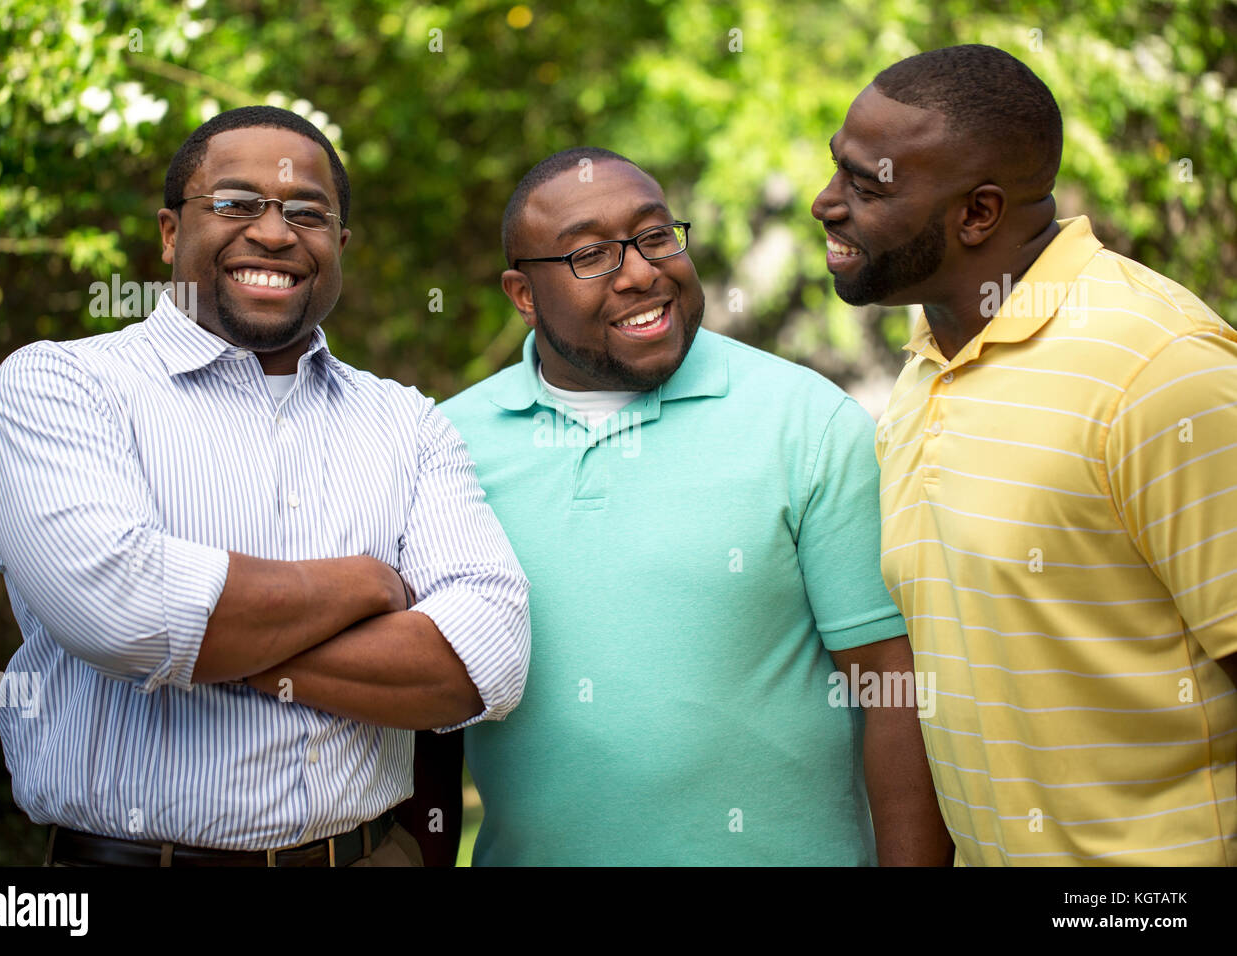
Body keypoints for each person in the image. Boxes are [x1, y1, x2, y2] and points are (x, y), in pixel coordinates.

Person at [0, 106, 531, 867]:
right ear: (171, 232)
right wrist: (368, 586)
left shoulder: (409, 422)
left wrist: (209, 643)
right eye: (236, 204)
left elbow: (487, 660)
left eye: (307, 212)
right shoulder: (62, 385)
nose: (274, 233)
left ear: (338, 244)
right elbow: (121, 612)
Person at [413, 147, 951, 865]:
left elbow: (891, 681)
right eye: (590, 255)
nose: (640, 271)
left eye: (656, 236)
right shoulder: (445, 445)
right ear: (522, 294)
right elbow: (428, 713)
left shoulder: (807, 422)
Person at [812, 44, 1237, 865]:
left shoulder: (1160, 370)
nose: (828, 203)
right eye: (838, 170)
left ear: (978, 214)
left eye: (869, 185)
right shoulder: (928, 363)